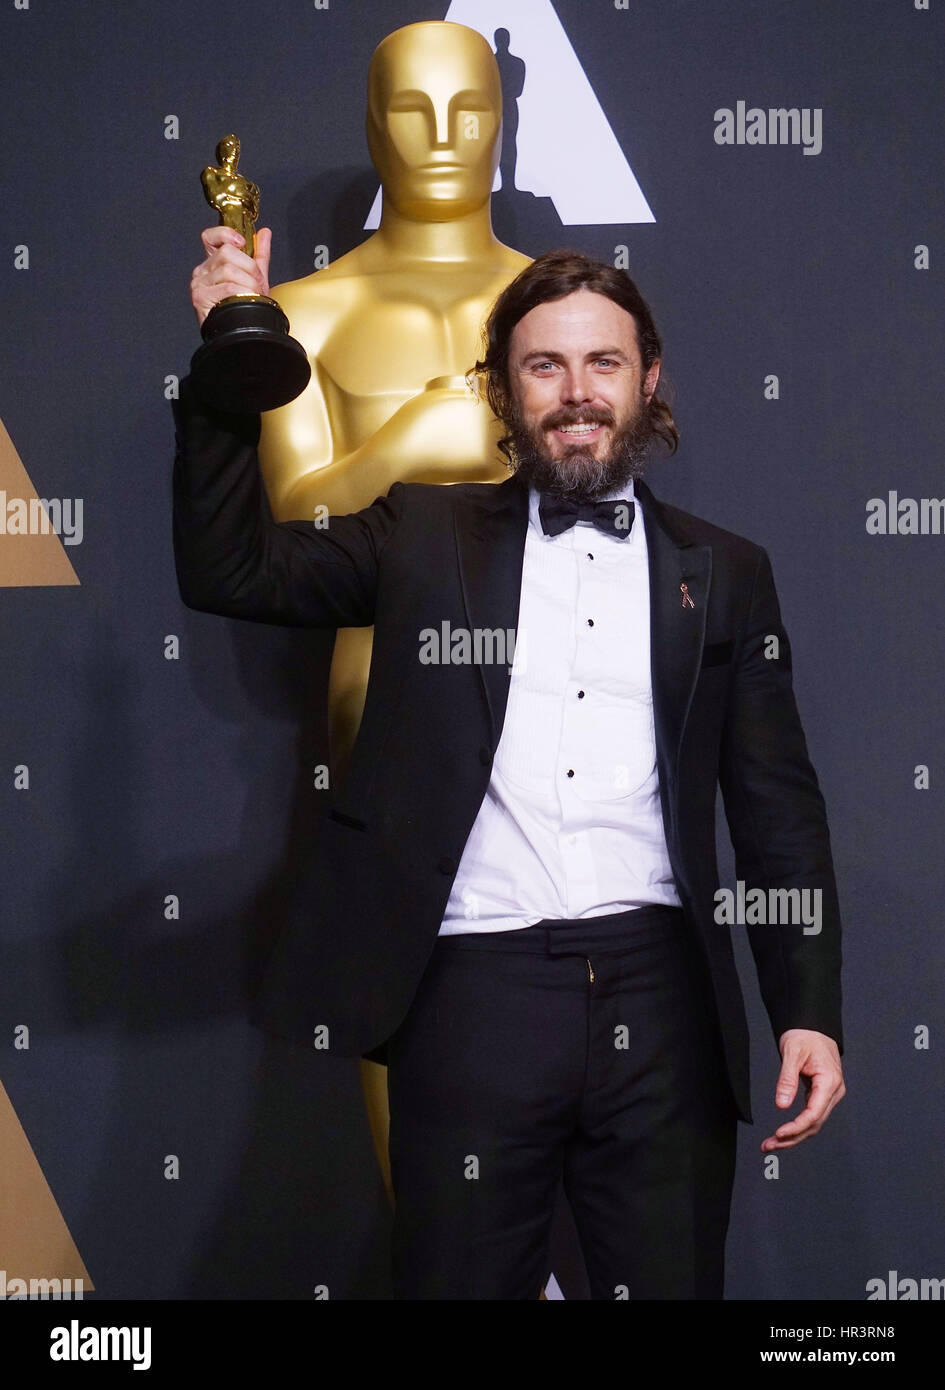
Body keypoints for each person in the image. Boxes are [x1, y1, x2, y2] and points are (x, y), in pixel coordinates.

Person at [174, 235, 846, 1300]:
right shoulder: (423, 535)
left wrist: (807, 1008)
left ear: (649, 378)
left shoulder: (727, 572)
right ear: (500, 385)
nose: (577, 394)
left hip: (663, 997)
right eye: (544, 366)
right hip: (471, 996)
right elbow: (233, 567)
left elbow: (777, 808)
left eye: (604, 364)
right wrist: (227, 364)